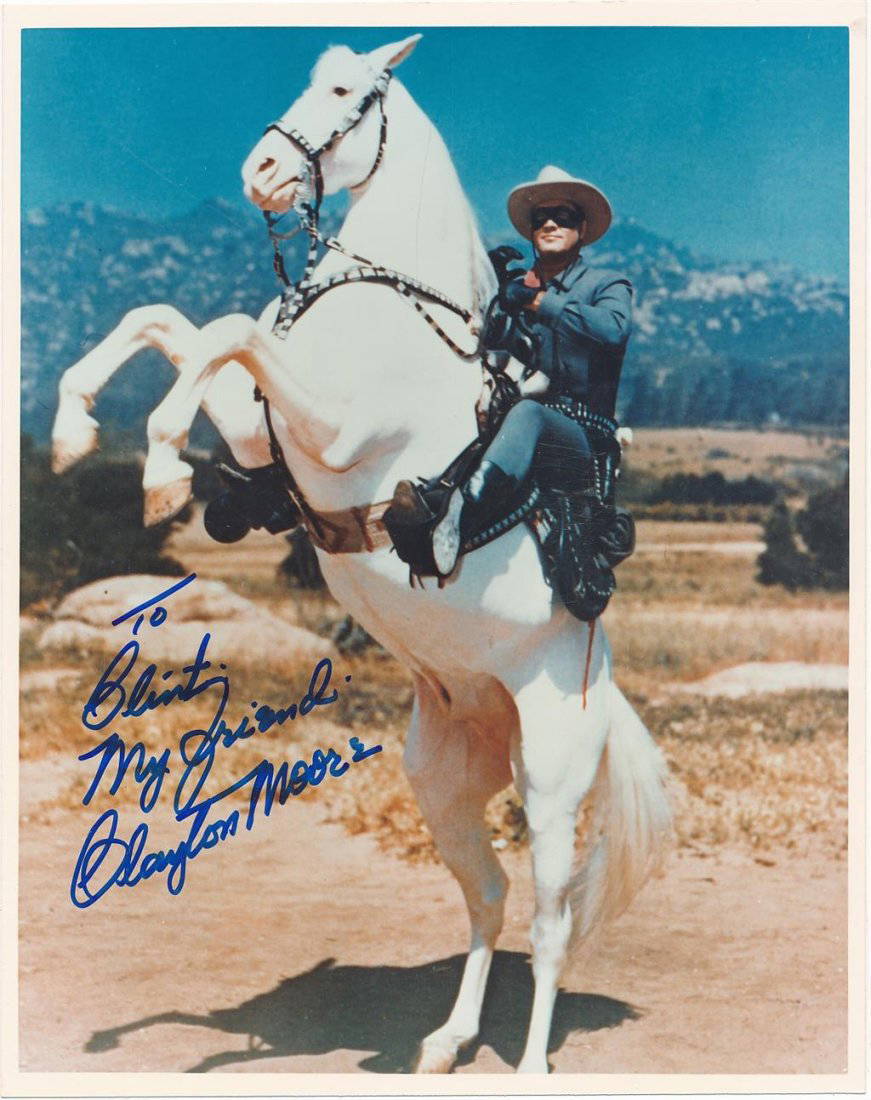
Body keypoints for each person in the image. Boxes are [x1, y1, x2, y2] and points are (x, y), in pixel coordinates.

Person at [429, 164, 634, 578]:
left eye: (564, 217)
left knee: (530, 414)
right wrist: (494, 307)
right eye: (541, 218)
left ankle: (461, 513)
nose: (551, 224)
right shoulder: (516, 286)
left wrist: (540, 303)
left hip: (582, 435)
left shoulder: (607, 284)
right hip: (516, 417)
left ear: (582, 227)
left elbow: (613, 330)